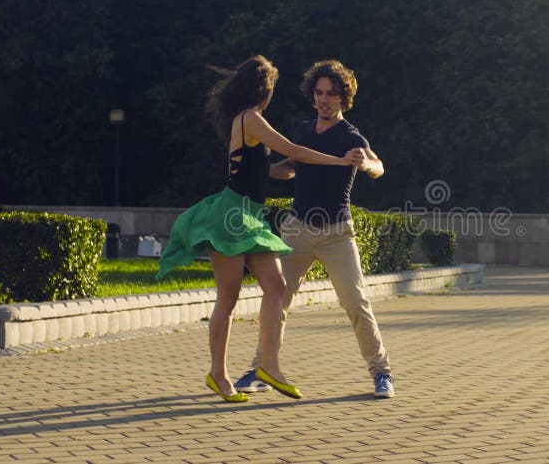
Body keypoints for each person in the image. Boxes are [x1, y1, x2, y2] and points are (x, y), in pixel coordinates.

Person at [156, 55, 353, 402]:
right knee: (228, 299)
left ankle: (270, 367)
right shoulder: (250, 118)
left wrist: (291, 168)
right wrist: (338, 161)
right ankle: (218, 374)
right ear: (265, 89)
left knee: (276, 287)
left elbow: (269, 169)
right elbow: (293, 150)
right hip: (230, 217)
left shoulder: (247, 121)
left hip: (249, 217)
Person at [235, 59, 395, 398]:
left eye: (331, 95)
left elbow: (378, 166)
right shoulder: (303, 131)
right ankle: (261, 369)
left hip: (337, 232)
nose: (324, 100)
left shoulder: (350, 136)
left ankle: (381, 373)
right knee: (276, 299)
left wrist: (366, 164)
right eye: (319, 93)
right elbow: (290, 168)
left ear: (342, 98)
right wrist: (256, 169)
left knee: (355, 302)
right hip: (297, 230)